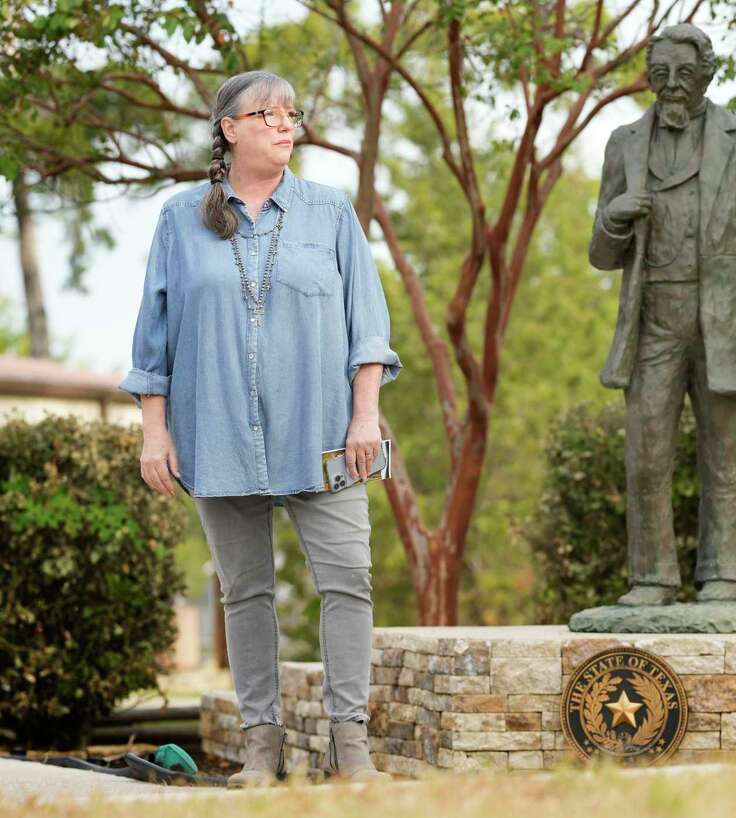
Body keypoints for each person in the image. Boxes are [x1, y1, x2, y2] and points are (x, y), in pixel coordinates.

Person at [118, 70, 402, 785]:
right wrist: (156, 432)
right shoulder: (180, 220)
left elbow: (368, 330)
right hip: (216, 435)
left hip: (329, 435)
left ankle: (352, 748)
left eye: (290, 113)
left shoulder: (331, 213)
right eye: (266, 114)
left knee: (349, 582)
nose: (284, 124)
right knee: (243, 593)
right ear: (229, 129)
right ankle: (261, 750)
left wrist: (366, 414)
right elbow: (153, 341)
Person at [588, 24, 736, 607]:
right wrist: (615, 217)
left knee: (724, 460)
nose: (672, 85)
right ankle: (651, 577)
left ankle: (722, 573)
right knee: (647, 456)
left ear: (707, 73)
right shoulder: (624, 143)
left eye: (683, 72)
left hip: (724, 323)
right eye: (660, 74)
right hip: (653, 318)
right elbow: (602, 256)